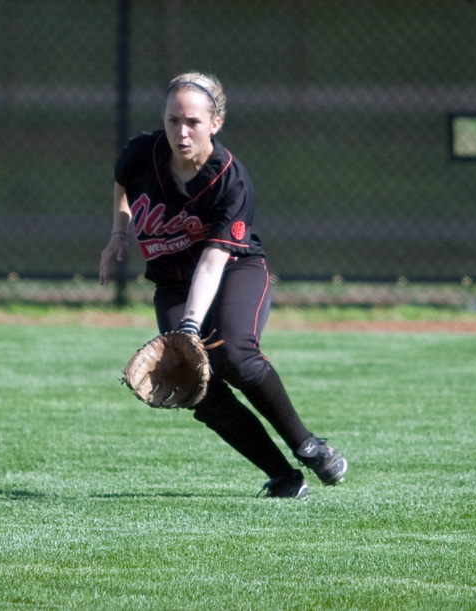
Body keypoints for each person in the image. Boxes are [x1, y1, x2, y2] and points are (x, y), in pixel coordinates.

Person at [99, 72, 347, 499]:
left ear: (215, 123)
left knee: (234, 354)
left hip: (236, 269)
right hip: (173, 282)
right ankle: (284, 476)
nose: (181, 131)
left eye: (193, 122)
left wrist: (191, 326)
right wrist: (118, 233)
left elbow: (214, 260)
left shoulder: (230, 180)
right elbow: (123, 182)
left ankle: (308, 445)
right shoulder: (142, 153)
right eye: (173, 119)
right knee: (198, 386)